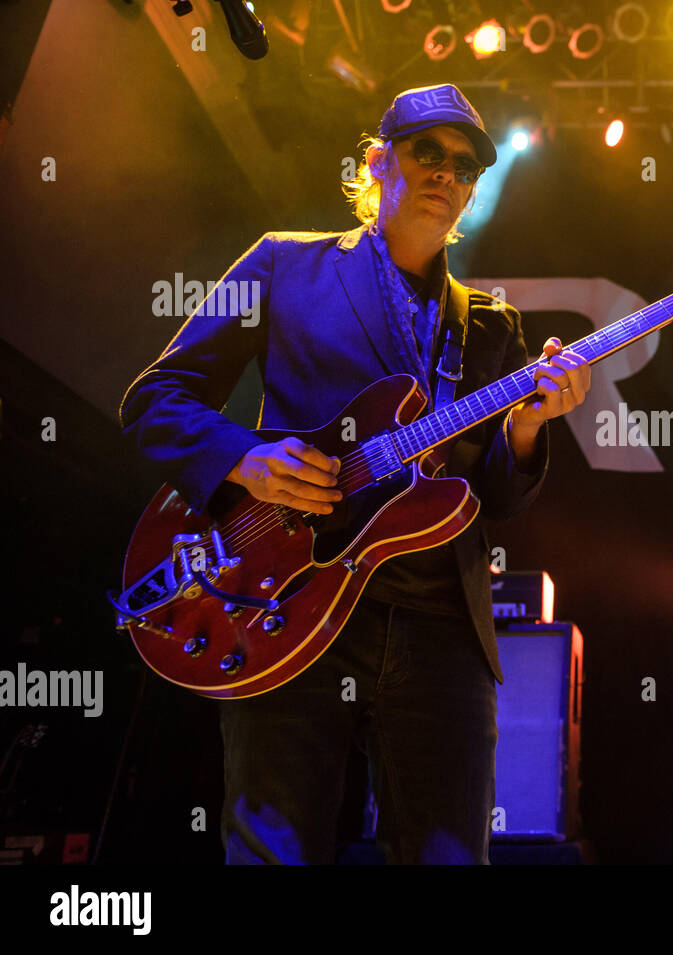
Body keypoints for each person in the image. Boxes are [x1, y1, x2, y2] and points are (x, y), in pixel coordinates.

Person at [119, 84, 590, 864]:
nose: (448, 173)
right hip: (288, 595)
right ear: (377, 161)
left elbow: (495, 498)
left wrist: (530, 426)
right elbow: (155, 399)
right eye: (427, 152)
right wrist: (244, 457)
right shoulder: (281, 263)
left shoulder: (491, 325)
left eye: (466, 165)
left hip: (441, 625)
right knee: (276, 852)